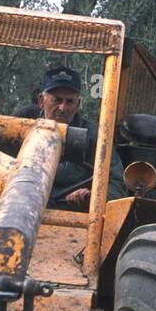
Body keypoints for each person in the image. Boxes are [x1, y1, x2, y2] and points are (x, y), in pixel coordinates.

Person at [12, 65, 125, 209]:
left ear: (78, 104)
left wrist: (91, 196)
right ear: (41, 100)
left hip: (73, 216)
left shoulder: (94, 136)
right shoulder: (18, 128)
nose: (62, 108)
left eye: (69, 101)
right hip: (21, 206)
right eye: (57, 100)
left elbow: (117, 183)